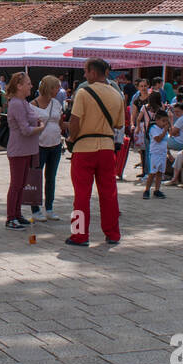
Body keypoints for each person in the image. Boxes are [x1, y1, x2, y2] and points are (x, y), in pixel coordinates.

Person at [65, 58, 124, 246]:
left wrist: (71, 138)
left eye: (85, 71)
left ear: (92, 72)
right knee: (109, 193)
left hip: (84, 148)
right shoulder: (117, 95)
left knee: (81, 194)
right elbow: (119, 124)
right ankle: (113, 233)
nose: (84, 75)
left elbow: (74, 122)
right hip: (107, 147)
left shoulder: (83, 93)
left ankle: (80, 235)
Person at [3, 72, 42, 229]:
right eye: (28, 83)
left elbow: (32, 119)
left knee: (21, 184)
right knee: (16, 184)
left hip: (26, 149)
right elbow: (25, 130)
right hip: (18, 149)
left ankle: (17, 214)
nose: (31, 86)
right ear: (19, 86)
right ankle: (11, 217)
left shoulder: (24, 102)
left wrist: (38, 123)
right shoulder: (17, 104)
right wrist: (40, 128)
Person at [29, 75, 65, 222]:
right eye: (57, 87)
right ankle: (35, 209)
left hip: (55, 144)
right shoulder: (32, 105)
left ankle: (49, 207)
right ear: (50, 88)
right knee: (36, 176)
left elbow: (61, 122)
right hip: (39, 145)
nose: (59, 89)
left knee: (51, 177)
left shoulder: (56, 104)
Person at [141, 110, 170, 200]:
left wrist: (169, 154)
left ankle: (157, 190)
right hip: (155, 154)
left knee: (160, 172)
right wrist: (165, 131)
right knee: (152, 172)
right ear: (157, 120)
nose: (165, 123)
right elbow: (158, 139)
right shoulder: (153, 128)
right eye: (163, 121)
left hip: (163, 153)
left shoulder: (163, 130)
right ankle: (147, 190)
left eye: (166, 121)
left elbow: (166, 142)